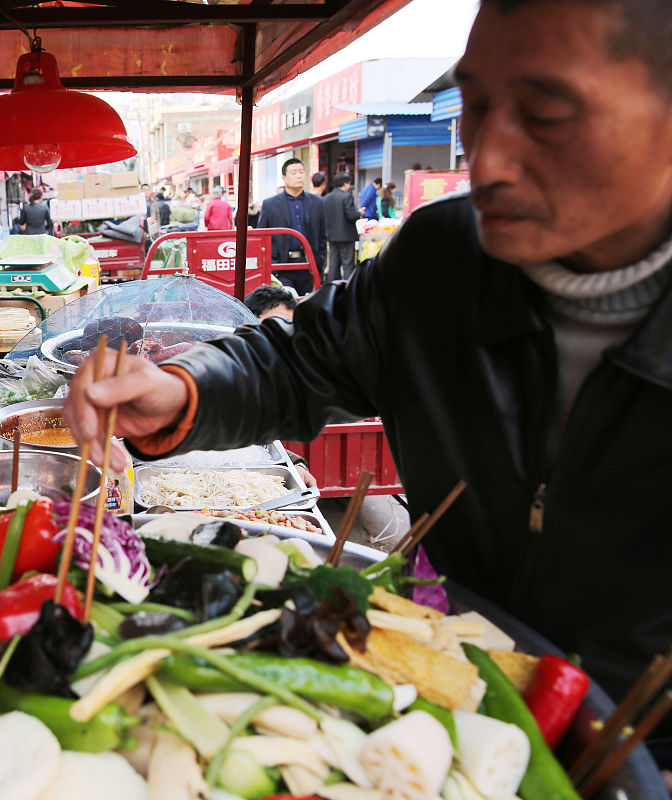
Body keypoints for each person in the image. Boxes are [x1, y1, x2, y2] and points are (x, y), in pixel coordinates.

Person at [66, 0, 672, 769]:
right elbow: (302, 357)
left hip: (639, 747)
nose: (485, 161)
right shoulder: (443, 260)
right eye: (476, 108)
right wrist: (186, 390)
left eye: (547, 115)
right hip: (437, 685)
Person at [256, 158, 326, 296]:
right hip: (281, 267)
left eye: (301, 172)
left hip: (309, 265)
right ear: (284, 178)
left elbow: (322, 235)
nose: (299, 175)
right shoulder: (270, 204)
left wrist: (320, 262)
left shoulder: (317, 202)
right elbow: (261, 237)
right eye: (293, 172)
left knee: (308, 306)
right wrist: (271, 266)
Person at [322, 173, 360, 281]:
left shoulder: (327, 197)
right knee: (348, 264)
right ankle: (348, 286)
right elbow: (351, 215)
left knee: (334, 263)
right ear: (346, 184)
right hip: (346, 236)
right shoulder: (346, 196)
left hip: (332, 235)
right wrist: (359, 213)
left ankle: (332, 286)